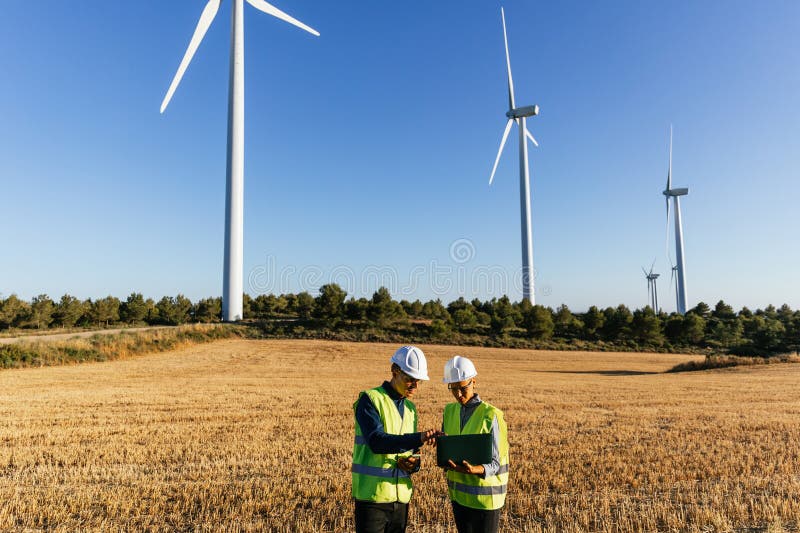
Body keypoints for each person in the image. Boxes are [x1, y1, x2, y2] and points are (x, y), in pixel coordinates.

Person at [352, 345, 444, 533]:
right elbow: (376, 441)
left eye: (418, 381)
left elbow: (411, 450)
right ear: (394, 371)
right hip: (373, 498)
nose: (415, 386)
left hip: (401, 499)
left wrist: (414, 464)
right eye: (410, 379)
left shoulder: (410, 409)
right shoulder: (370, 399)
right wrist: (420, 437)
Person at [441, 356, 509, 533]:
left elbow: (496, 463)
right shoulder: (449, 411)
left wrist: (474, 470)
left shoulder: (491, 415)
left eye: (463, 387)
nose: (459, 394)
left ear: (473, 382)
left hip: (486, 501)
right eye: (453, 388)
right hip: (458, 498)